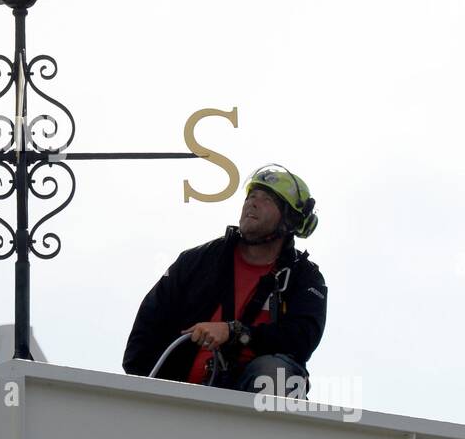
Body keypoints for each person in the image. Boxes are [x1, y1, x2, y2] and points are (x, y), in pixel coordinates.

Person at [122, 166, 327, 395]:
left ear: (290, 218)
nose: (252, 203)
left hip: (251, 405)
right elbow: (149, 323)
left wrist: (236, 333)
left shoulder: (304, 277)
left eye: (267, 199)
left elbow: (302, 338)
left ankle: (266, 432)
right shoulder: (198, 260)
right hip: (178, 399)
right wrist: (142, 393)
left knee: (276, 374)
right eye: (251, 196)